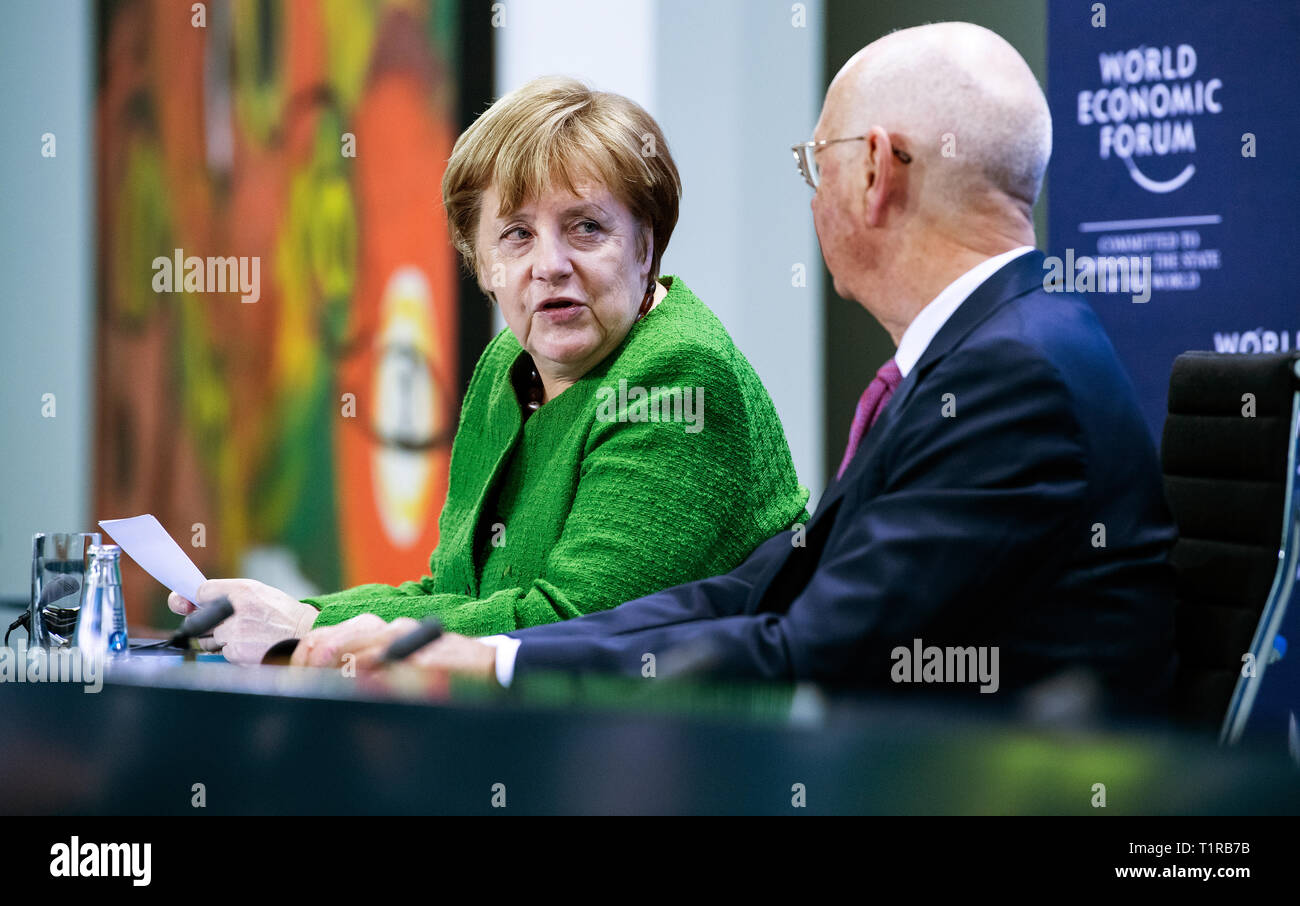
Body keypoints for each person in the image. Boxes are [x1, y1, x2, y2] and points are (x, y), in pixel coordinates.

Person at [294, 23, 1177, 714]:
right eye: (516, 235)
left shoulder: (1009, 379)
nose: (812, 192)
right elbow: (765, 586)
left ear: (872, 171)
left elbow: (807, 646)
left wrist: (499, 654)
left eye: (814, 163)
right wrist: (485, 648)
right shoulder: (1000, 349)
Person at [170, 76, 809, 664]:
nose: (550, 264)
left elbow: (568, 624)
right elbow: (455, 591)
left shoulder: (678, 375)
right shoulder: (509, 363)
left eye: (586, 227)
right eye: (516, 235)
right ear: (480, 264)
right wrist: (295, 613)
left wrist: (308, 624)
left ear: (647, 246)